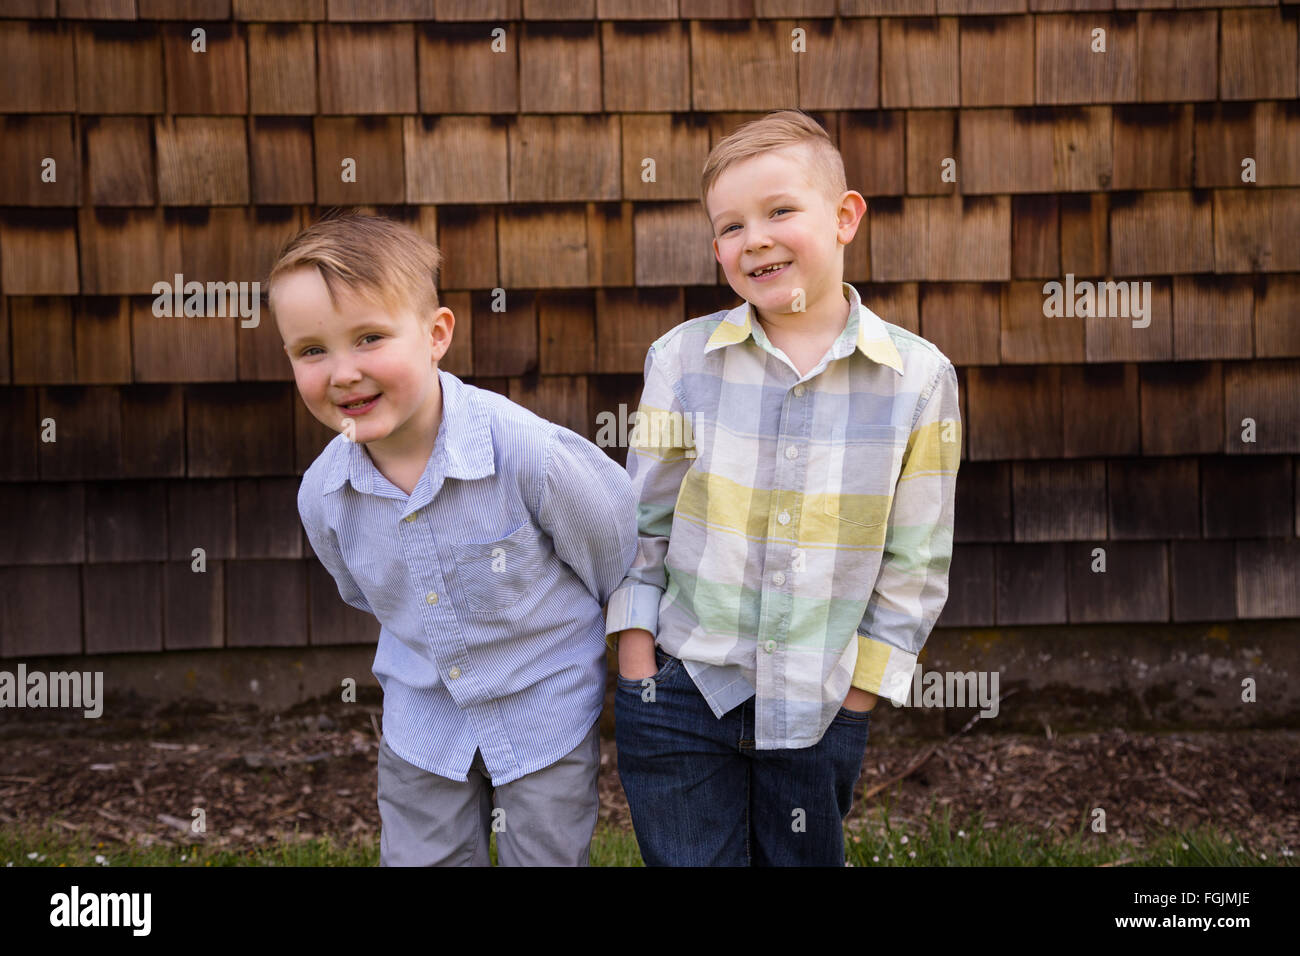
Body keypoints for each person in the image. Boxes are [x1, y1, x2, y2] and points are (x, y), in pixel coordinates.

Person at [607, 110, 962, 866]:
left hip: (820, 703)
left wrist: (859, 696)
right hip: (682, 689)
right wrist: (638, 665)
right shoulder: (681, 360)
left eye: (779, 212)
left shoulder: (919, 380)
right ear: (716, 250)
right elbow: (642, 520)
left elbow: (917, 559)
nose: (754, 239)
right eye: (730, 226)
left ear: (844, 218)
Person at [268, 211, 638, 866]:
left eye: (369, 337)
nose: (344, 372)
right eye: (312, 350)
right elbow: (364, 592)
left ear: (436, 335)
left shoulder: (528, 455)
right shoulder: (325, 496)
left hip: (541, 710)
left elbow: (615, 548)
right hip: (423, 721)